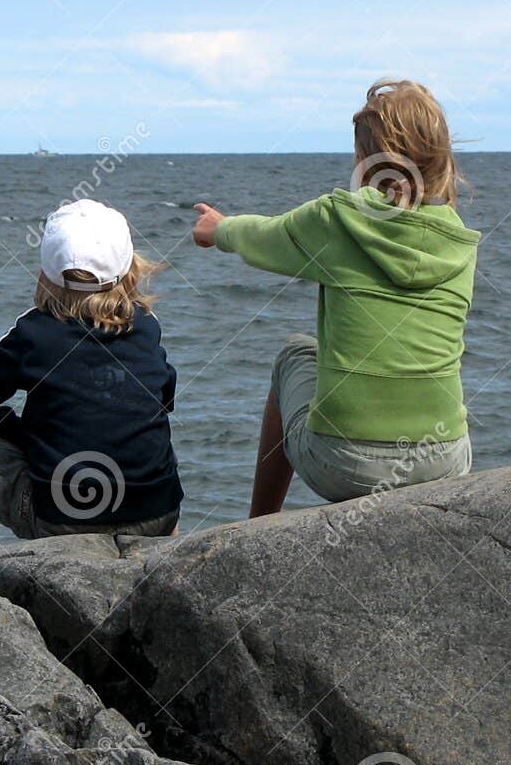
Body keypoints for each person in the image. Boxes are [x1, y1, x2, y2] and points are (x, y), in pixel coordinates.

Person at [192, 79, 479, 516]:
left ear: (367, 160)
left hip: (345, 466)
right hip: (442, 460)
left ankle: (258, 524)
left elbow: (265, 236)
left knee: (293, 354)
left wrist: (219, 229)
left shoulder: (338, 219)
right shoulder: (459, 238)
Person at [0, 199, 181, 559]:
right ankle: (165, 558)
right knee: (147, 435)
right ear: (129, 269)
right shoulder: (147, 327)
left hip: (63, 521)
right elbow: (165, 397)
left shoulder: (35, 334)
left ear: (45, 271)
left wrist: (16, 429)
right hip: (158, 516)